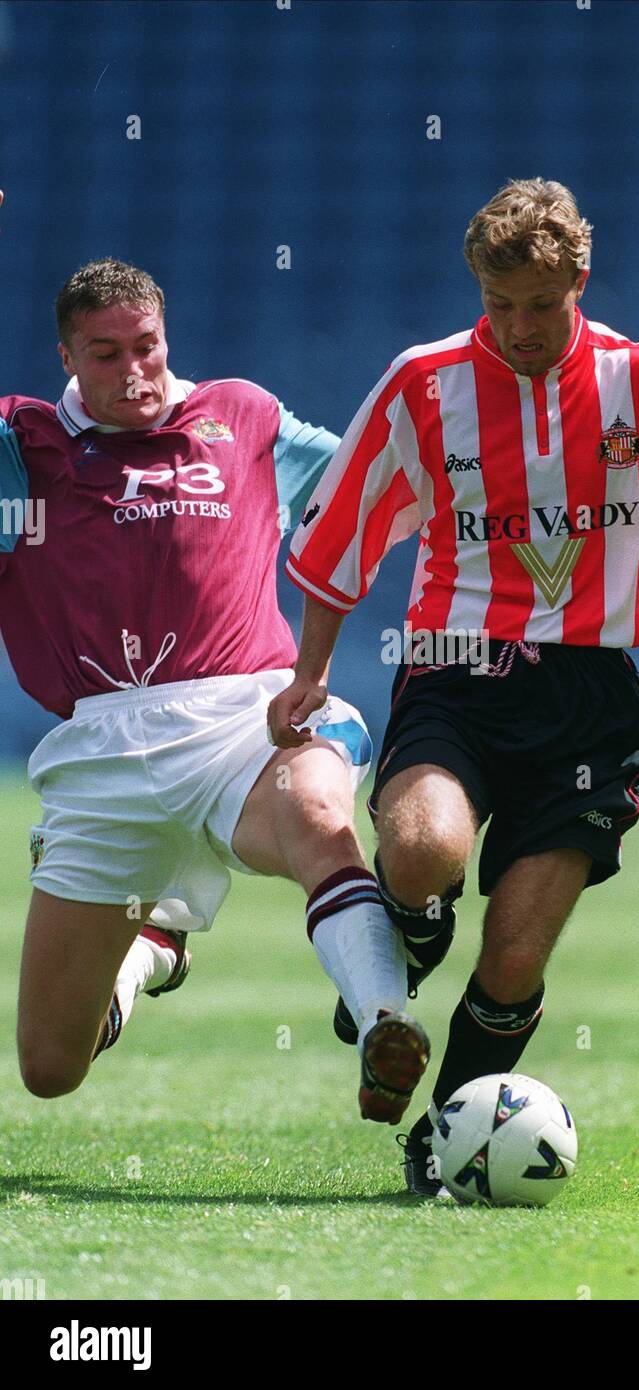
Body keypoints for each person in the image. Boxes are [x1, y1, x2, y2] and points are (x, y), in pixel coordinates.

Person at [267, 177, 639, 1196]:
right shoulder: (421, 383)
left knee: (518, 954)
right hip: (455, 668)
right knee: (424, 848)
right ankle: (412, 931)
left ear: (580, 279)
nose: (518, 328)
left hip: (587, 697)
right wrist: (308, 673)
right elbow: (341, 527)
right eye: (498, 305)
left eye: (538, 304)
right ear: (476, 290)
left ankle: (441, 1142)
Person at [0, 209, 429, 1126]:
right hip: (103, 753)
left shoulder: (243, 416)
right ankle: (155, 942)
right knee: (47, 1067)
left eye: (146, 347)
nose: (134, 372)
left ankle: (383, 1021)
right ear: (67, 358)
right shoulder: (21, 447)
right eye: (105, 354)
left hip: (249, 717)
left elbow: (383, 484)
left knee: (319, 819)